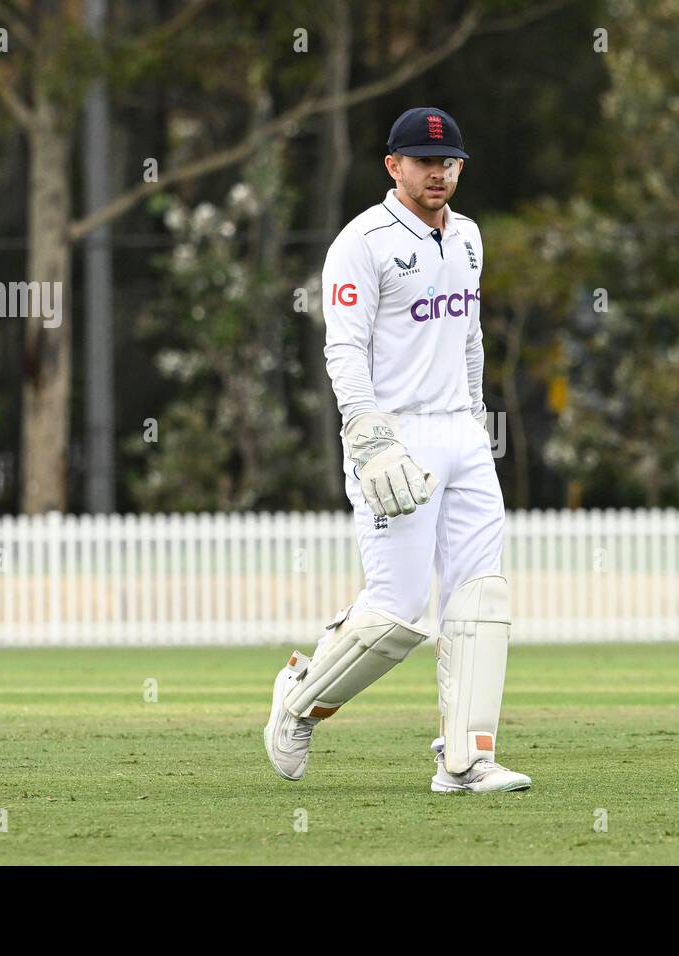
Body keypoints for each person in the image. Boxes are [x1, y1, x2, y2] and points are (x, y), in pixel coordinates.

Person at [263, 107, 530, 793]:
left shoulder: (468, 237)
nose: (437, 172)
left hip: (460, 433)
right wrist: (369, 435)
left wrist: (474, 420)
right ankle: (298, 701)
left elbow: (468, 335)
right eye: (422, 161)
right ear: (394, 166)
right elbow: (344, 346)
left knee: (479, 596)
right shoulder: (364, 242)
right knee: (398, 612)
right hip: (395, 435)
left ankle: (465, 761)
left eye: (448, 162)